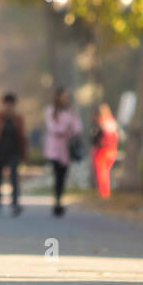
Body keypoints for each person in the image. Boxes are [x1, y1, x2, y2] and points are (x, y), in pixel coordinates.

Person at [43, 87, 82, 217]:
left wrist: (69, 129)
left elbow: (77, 129)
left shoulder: (71, 112)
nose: (65, 99)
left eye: (67, 96)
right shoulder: (50, 110)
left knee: (63, 175)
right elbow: (53, 128)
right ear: (58, 97)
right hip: (54, 148)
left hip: (66, 148)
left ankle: (60, 199)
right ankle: (57, 200)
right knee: (57, 174)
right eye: (63, 96)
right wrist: (66, 128)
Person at [0, 92, 27, 216]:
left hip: (14, 152)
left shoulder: (18, 119)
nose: (9, 106)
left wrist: (24, 153)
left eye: (11, 104)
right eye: (7, 104)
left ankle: (15, 202)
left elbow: (22, 137)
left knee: (14, 178)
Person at [91, 103, 120, 199]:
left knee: (102, 172)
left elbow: (95, 136)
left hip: (102, 150)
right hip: (112, 149)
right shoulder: (112, 121)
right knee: (105, 171)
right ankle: (105, 192)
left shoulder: (100, 121)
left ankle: (104, 192)